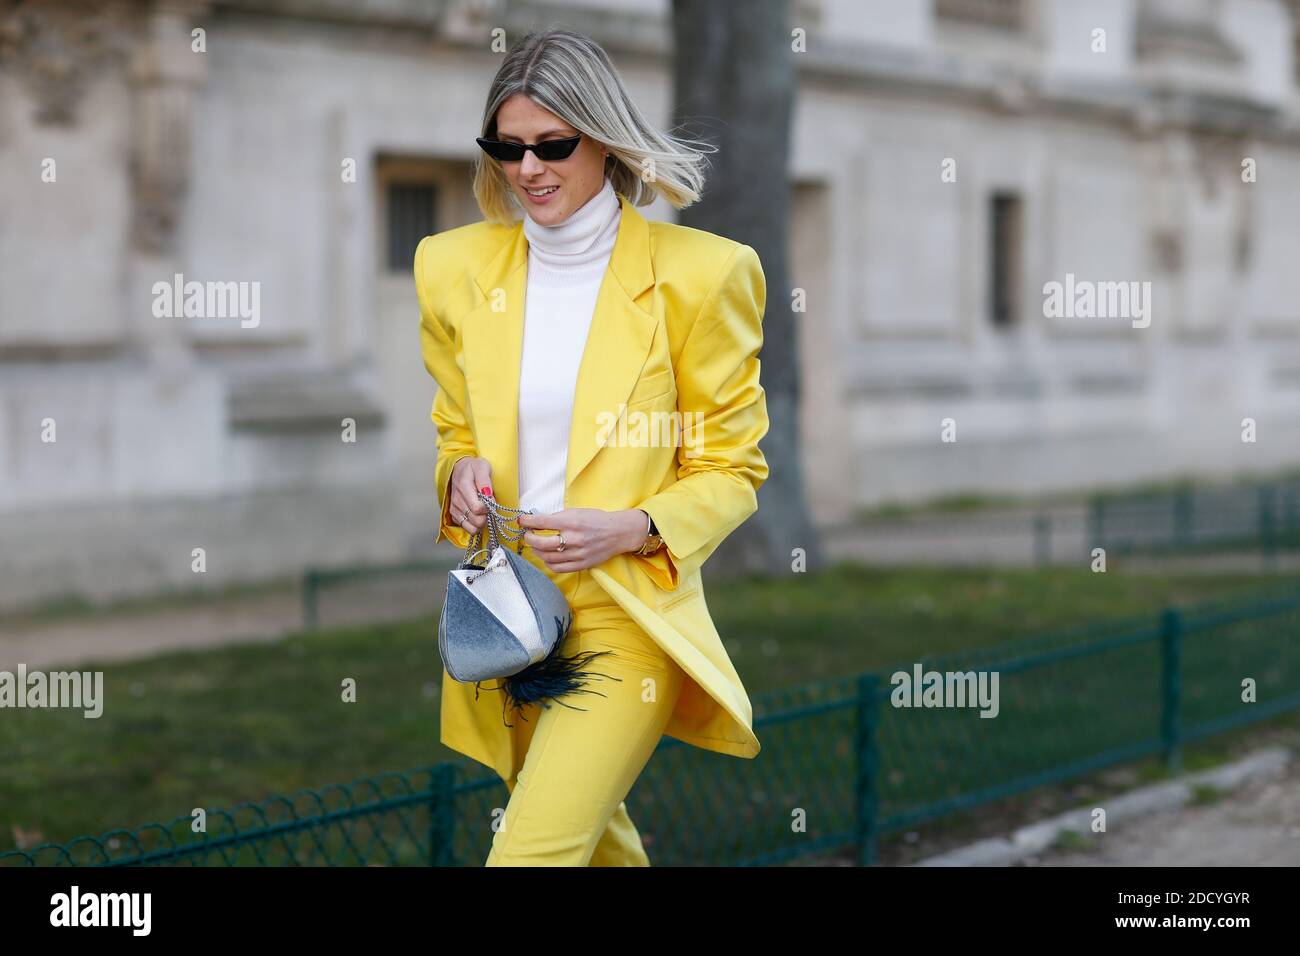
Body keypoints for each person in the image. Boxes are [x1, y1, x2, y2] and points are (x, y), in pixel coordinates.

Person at [415, 27, 770, 866]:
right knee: (596, 848)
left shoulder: (704, 276)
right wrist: (456, 476)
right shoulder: (452, 269)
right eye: (506, 147)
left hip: (628, 610)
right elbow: (456, 431)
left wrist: (636, 525)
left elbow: (731, 467)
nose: (528, 168)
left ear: (603, 139)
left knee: (530, 854)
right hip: (512, 609)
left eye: (552, 145)